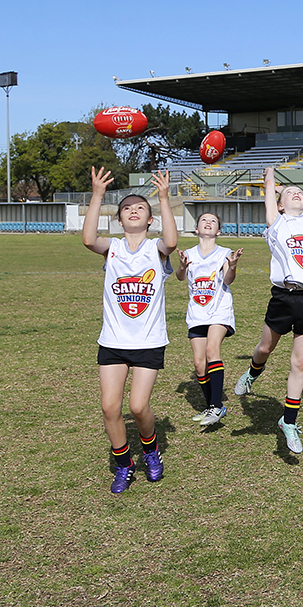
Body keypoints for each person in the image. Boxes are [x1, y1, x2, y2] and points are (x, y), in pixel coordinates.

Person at [82, 168, 177, 494]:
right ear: (120, 220)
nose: (133, 209)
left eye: (140, 207)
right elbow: (88, 239)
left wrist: (163, 198)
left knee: (137, 407)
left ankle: (150, 450)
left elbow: (172, 241)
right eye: (126, 208)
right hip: (113, 340)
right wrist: (97, 195)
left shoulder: (155, 250)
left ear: (149, 219)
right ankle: (124, 464)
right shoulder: (113, 248)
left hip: (148, 340)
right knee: (110, 407)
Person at [233, 168, 303, 455]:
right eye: (289, 194)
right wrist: (271, 179)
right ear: (280, 204)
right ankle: (252, 372)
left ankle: (289, 422)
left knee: (299, 363)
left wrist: (294, 190)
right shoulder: (277, 222)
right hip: (284, 297)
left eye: (300, 193)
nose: (296, 194)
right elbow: (271, 190)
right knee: (265, 347)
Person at [175, 211, 242, 427]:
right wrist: (183, 266)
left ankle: (216, 406)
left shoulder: (224, 253)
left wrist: (231, 266)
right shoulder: (189, 253)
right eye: (204, 220)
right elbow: (180, 276)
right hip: (196, 313)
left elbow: (229, 280)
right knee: (198, 364)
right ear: (196, 229)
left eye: (213, 221)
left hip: (219, 311)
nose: (208, 223)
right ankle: (212, 406)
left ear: (218, 230)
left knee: (212, 350)